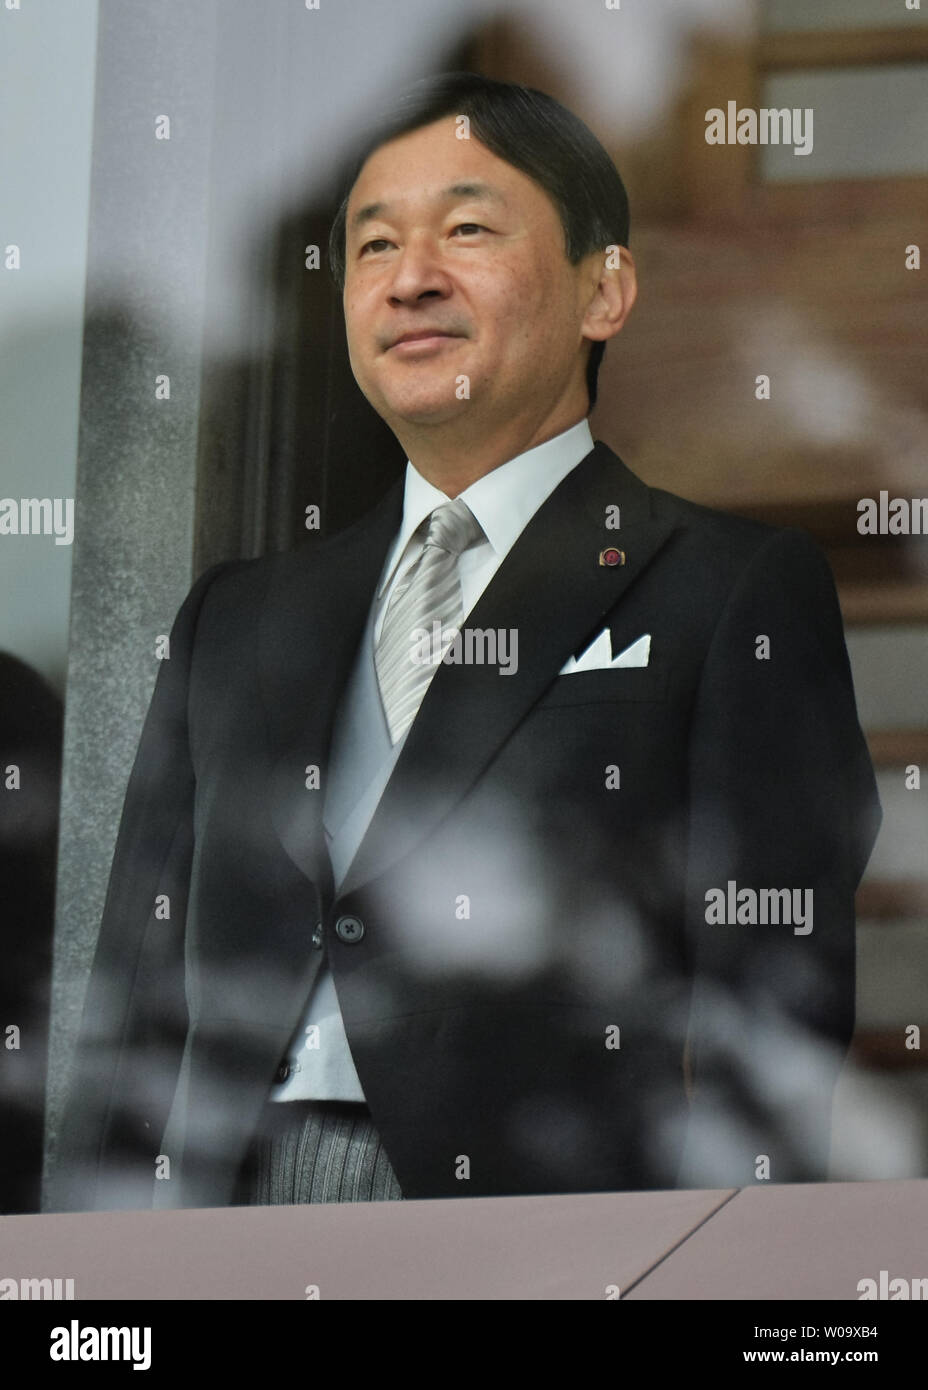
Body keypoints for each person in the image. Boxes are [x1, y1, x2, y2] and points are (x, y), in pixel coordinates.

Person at [52, 73, 881, 1212]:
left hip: (546, 1227)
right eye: (373, 244)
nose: (411, 278)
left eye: (468, 229)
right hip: (228, 1211)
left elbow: (773, 1021)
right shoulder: (236, 618)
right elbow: (135, 996)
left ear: (605, 290)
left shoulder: (731, 589)